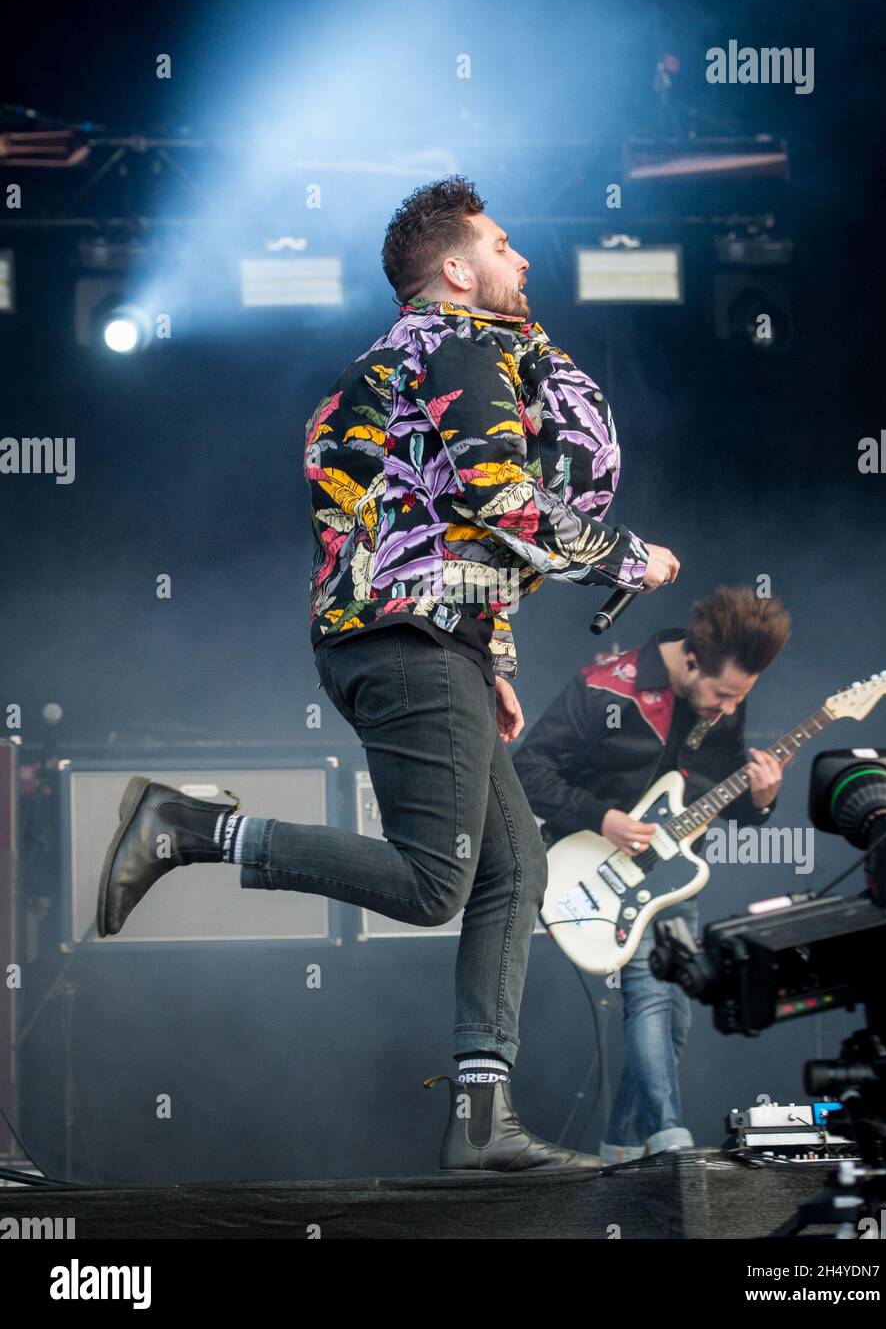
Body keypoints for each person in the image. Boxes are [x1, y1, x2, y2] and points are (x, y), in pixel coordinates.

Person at [96, 175, 680, 1173]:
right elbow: (497, 490)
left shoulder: (392, 363)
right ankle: (190, 827)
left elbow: (427, 517)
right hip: (406, 642)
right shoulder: (459, 344)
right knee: (432, 881)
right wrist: (627, 557)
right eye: (502, 244)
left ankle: (482, 1118)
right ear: (456, 269)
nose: (523, 259)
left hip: (416, 638)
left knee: (515, 869)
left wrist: (492, 654)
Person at [512, 586, 793, 1164]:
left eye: (741, 698)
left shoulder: (721, 699)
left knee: (677, 1018)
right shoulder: (604, 686)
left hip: (668, 874)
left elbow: (718, 796)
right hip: (591, 864)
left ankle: (619, 1147)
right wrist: (603, 817)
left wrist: (760, 800)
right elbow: (526, 769)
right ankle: (670, 1137)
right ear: (691, 661)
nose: (730, 709)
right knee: (650, 998)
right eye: (723, 695)